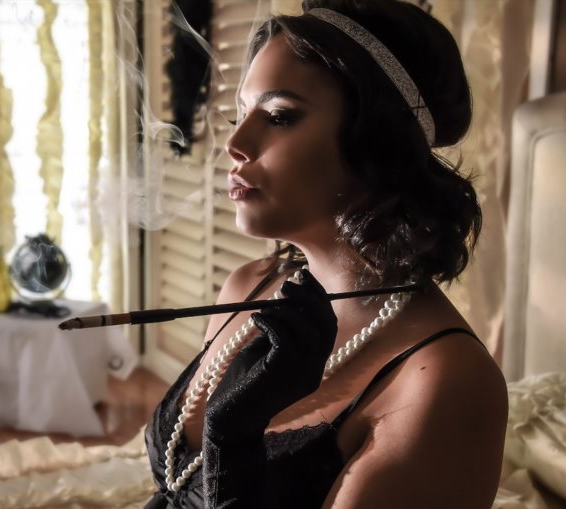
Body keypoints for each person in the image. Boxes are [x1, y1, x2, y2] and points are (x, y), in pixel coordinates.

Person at [144, 0, 508, 507]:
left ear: (379, 141)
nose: (236, 143)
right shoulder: (250, 284)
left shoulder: (445, 381)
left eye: (278, 116)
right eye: (240, 114)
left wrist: (234, 432)